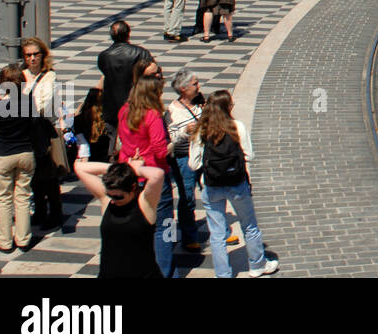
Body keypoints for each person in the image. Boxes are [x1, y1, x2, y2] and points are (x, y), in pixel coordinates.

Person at [188, 90, 280, 278]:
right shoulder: (237, 126)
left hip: (212, 186)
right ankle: (257, 265)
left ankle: (223, 273)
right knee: (249, 225)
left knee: (217, 233)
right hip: (237, 184)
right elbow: (249, 155)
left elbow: (193, 163)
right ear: (227, 107)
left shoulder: (201, 130)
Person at [0, 63, 47, 252]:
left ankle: (5, 242)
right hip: (26, 153)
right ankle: (23, 239)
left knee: (3, 199)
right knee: (23, 197)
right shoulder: (29, 102)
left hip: (3, 153)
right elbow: (35, 125)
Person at [118, 76, 176, 277]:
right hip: (155, 176)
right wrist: (173, 143)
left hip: (132, 175)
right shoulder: (152, 115)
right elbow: (160, 151)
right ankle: (166, 270)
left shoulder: (123, 111)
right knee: (166, 226)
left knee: (140, 225)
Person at [74, 158, 165, 278]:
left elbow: (158, 175)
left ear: (133, 187)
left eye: (119, 197)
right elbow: (80, 168)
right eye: (110, 195)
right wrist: (120, 169)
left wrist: (135, 170)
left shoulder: (145, 203)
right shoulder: (107, 200)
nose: (114, 200)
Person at [21, 38, 64, 228]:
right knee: (35, 176)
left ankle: (55, 213)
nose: (32, 59)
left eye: (35, 54)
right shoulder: (21, 75)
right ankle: (39, 211)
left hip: (46, 131)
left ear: (42, 55)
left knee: (49, 176)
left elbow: (45, 106)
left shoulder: (49, 76)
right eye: (28, 55)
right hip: (28, 131)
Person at [96, 21, 153, 154]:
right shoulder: (140, 53)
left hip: (110, 103)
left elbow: (103, 71)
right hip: (134, 101)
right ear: (128, 34)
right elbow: (152, 70)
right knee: (134, 138)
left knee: (112, 137)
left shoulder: (104, 56)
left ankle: (112, 162)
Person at [166, 70, 205, 253]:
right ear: (183, 89)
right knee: (187, 196)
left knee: (211, 192)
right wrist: (185, 131)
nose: (199, 87)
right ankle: (189, 237)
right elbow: (170, 138)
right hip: (184, 157)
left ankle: (217, 229)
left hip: (203, 152)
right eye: (195, 84)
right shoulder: (173, 111)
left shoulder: (200, 103)